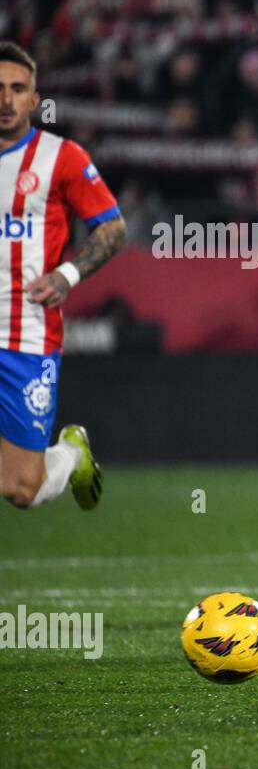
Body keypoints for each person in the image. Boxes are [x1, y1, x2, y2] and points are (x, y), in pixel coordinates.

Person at [0, 41, 122, 512]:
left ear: (34, 99)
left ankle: (70, 453)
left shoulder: (61, 158)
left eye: (18, 89)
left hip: (26, 336)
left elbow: (112, 227)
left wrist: (68, 275)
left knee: (20, 490)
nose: (6, 99)